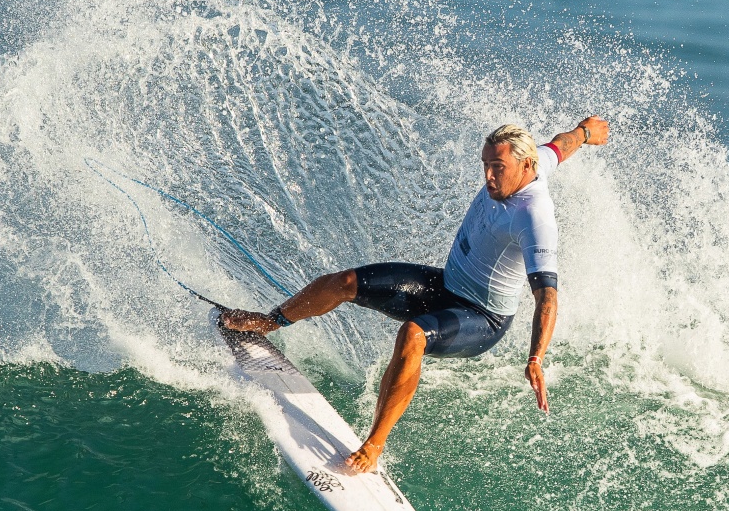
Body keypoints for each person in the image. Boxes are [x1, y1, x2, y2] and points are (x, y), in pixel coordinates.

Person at [218, 116, 610, 473]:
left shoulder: (535, 217)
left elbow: (547, 299)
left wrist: (536, 357)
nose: (489, 177)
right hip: (447, 285)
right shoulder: (533, 158)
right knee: (344, 282)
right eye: (486, 166)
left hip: (482, 318)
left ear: (526, 167)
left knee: (413, 334)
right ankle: (269, 322)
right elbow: (561, 145)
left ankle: (374, 446)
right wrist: (586, 132)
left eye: (498, 169)